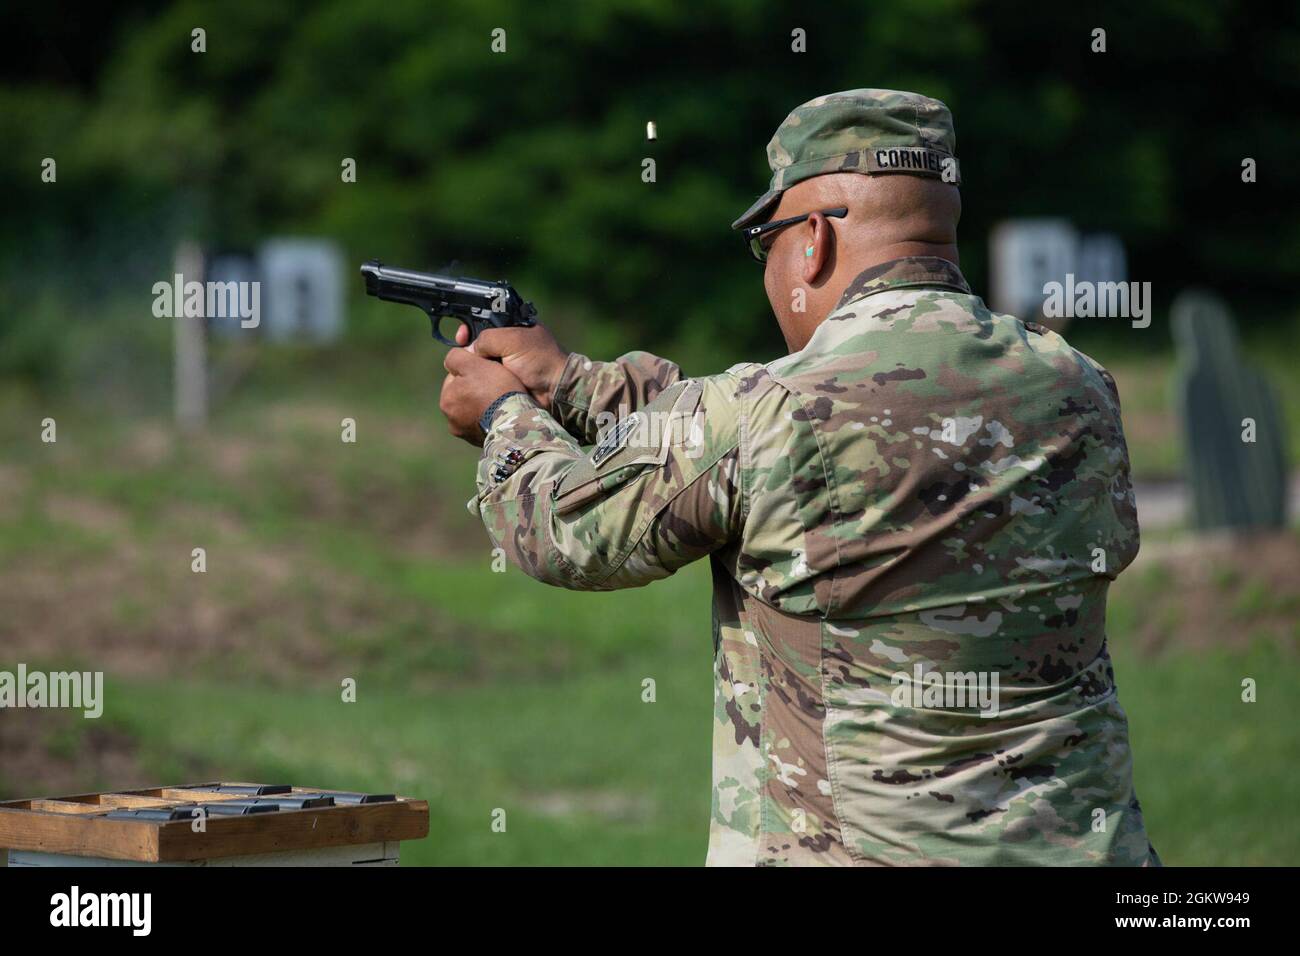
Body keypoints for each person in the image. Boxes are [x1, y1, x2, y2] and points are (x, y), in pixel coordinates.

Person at [436, 89, 1159, 866]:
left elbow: (563, 531)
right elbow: (775, 434)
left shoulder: (769, 414)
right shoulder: (1080, 386)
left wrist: (506, 418)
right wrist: (571, 382)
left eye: (767, 243)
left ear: (810, 238)